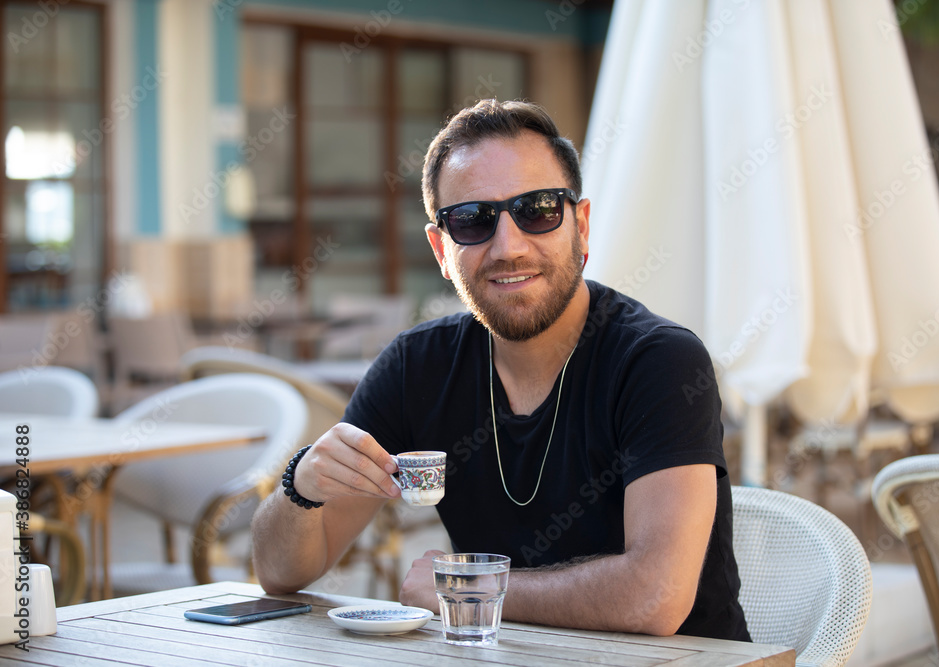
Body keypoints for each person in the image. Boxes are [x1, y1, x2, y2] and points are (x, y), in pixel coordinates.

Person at [251, 99, 750, 641]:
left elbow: (655, 598)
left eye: (537, 209)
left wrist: (465, 586)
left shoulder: (658, 361)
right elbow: (282, 573)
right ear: (441, 249)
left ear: (580, 226)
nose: (509, 247)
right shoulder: (417, 367)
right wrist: (301, 489)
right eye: (473, 221)